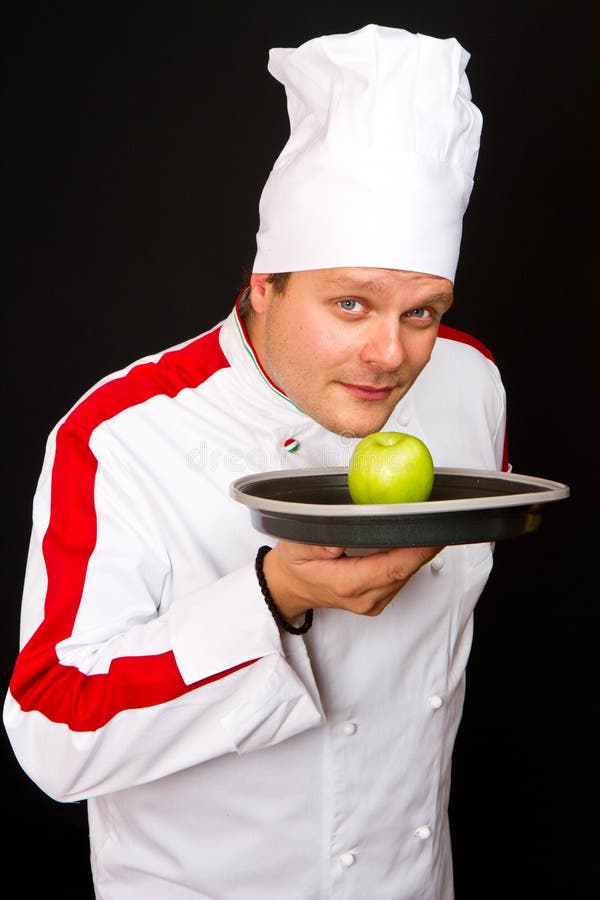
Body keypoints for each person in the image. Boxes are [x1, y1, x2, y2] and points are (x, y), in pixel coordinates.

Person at [4, 24, 509, 900]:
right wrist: (275, 598)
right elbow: (54, 731)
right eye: (349, 303)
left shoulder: (471, 383)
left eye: (422, 312)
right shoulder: (124, 433)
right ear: (264, 284)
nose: (388, 354)